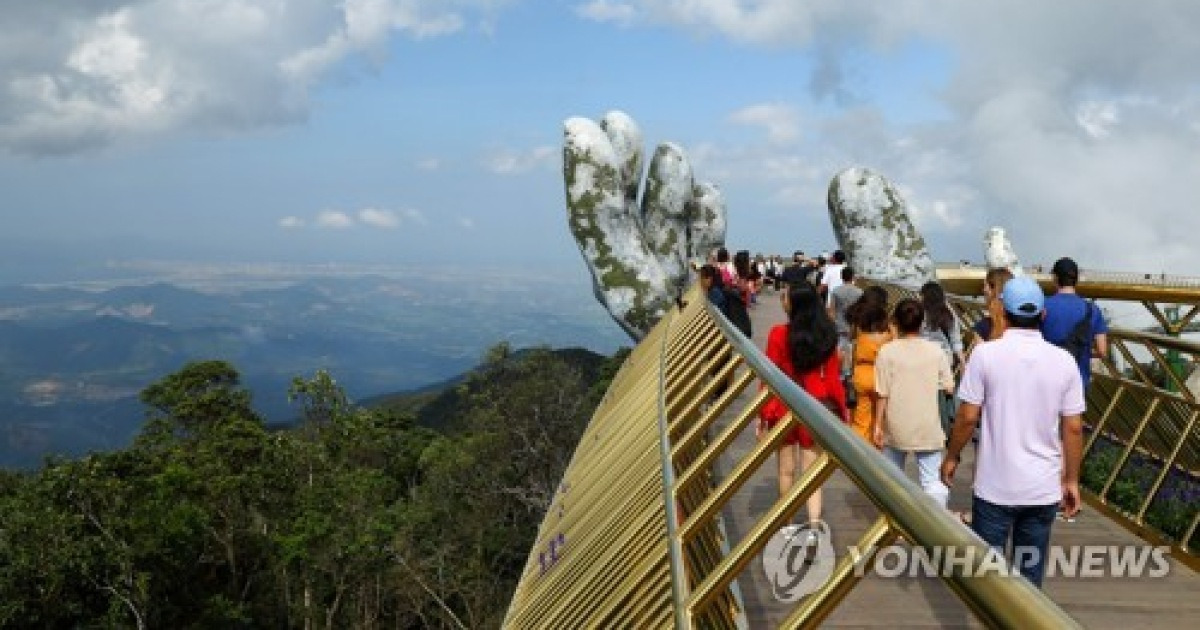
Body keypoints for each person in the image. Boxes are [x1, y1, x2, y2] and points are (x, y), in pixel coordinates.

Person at [941, 276, 1085, 588]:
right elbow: (1073, 428)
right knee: (1029, 580)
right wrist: (1071, 479)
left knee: (988, 582)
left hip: (995, 486)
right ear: (1042, 315)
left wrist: (952, 457)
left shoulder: (986, 355)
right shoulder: (1064, 362)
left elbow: (967, 417)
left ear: (1002, 311)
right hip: (1043, 487)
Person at [758, 283, 850, 536]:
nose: (782, 299)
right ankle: (812, 528)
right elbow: (833, 379)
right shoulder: (827, 336)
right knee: (812, 474)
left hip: (782, 407)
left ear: (794, 304)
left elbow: (768, 376)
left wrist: (762, 415)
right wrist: (842, 413)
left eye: (785, 296)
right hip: (814, 407)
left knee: (785, 470)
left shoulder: (778, 334)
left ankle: (786, 527)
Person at [875, 299, 955, 506]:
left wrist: (877, 425)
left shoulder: (887, 351)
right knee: (931, 481)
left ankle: (896, 525)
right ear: (922, 323)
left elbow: (882, 392)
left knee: (894, 479)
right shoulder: (936, 351)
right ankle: (935, 526)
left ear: (897, 322)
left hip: (896, 423)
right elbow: (949, 386)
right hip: (927, 423)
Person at [1041, 257, 1108, 390]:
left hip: (1047, 382)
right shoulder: (1092, 309)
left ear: (1055, 278)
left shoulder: (1043, 305)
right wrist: (1084, 350)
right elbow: (1102, 351)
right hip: (1078, 382)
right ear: (1076, 279)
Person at [846, 286, 892, 445]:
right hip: (882, 375)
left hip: (862, 373)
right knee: (879, 420)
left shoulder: (858, 325)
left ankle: (858, 454)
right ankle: (876, 452)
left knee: (860, 420)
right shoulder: (889, 329)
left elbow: (851, 347)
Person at [919, 281, 966, 434]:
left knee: (928, 394)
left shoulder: (921, 313)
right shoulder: (948, 313)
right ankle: (948, 427)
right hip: (945, 359)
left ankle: (933, 426)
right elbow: (956, 340)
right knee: (946, 392)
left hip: (924, 359)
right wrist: (963, 363)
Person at [700, 264, 751, 337]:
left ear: (709, 279)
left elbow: (715, 317)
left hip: (726, 333)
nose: (700, 281)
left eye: (702, 278)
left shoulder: (714, 293)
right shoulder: (716, 290)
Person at [973, 268, 1014, 344]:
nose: (983, 290)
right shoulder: (1022, 323)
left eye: (985, 286)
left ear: (993, 289)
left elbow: (978, 354)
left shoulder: (984, 326)